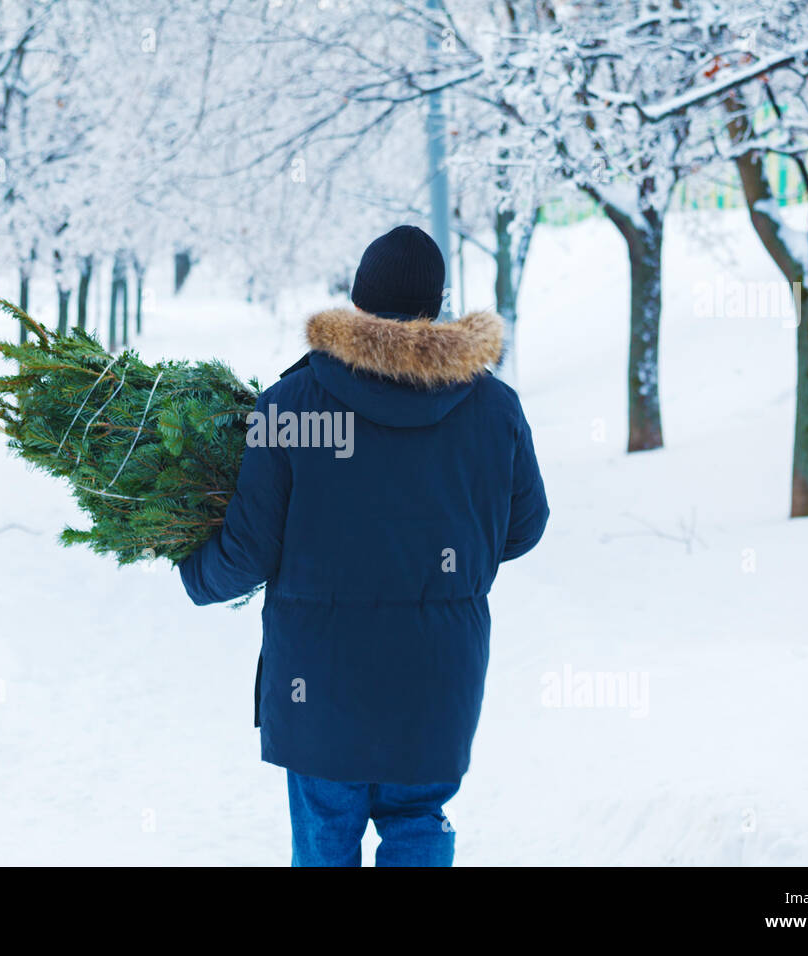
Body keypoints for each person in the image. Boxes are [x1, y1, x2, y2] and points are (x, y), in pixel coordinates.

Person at [179, 225, 549, 866]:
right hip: (438, 678)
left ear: (356, 300)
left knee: (326, 834)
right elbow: (524, 526)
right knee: (417, 820)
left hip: (318, 688)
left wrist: (192, 569)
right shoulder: (495, 407)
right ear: (435, 306)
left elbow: (248, 551)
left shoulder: (291, 406)